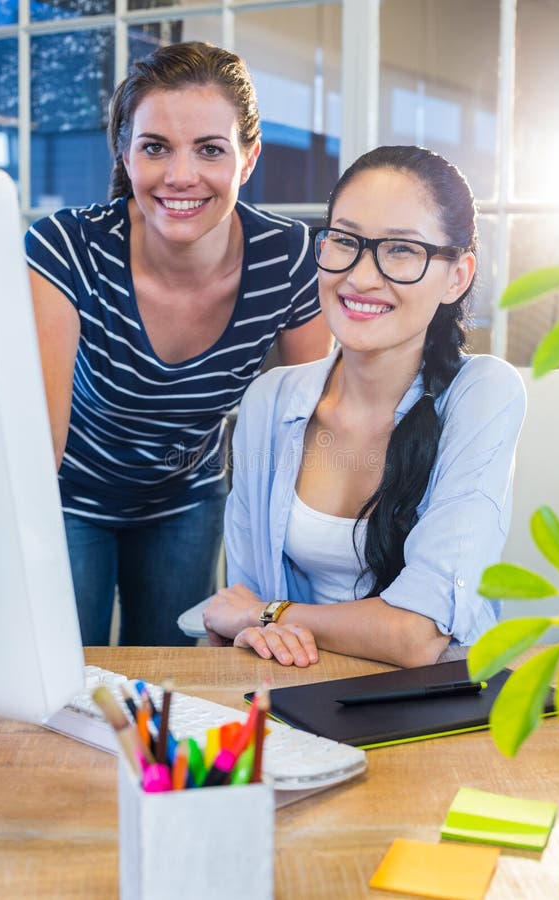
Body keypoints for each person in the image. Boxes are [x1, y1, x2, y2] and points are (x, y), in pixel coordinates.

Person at [25, 41, 332, 647]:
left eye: (210, 149)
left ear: (248, 159)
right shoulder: (67, 248)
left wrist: (294, 594)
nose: (180, 176)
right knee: (64, 674)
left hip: (187, 500)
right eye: (155, 147)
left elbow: (309, 436)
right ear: (125, 153)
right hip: (68, 500)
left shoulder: (290, 258)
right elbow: (39, 448)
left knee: (169, 677)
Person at [203, 145, 527, 668]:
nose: (361, 277)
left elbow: (417, 637)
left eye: (401, 249)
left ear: (457, 276)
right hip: (294, 690)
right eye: (346, 240)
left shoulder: (483, 392)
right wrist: (257, 622)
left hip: (434, 703)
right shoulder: (270, 399)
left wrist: (269, 614)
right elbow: (243, 609)